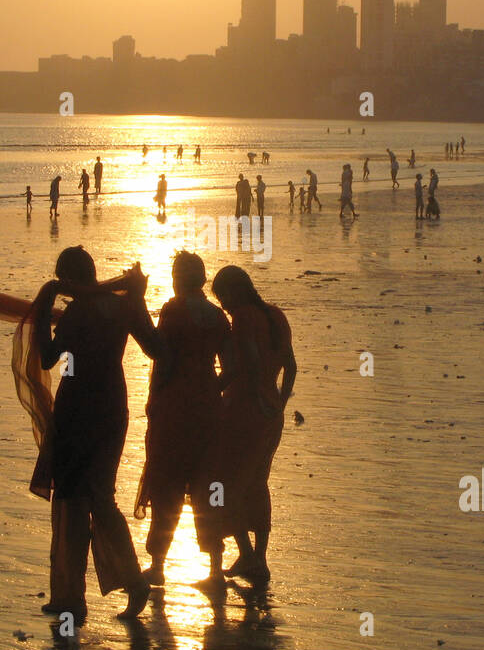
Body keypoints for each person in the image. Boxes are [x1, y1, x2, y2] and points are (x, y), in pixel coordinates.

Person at [29, 248, 162, 621]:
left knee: (72, 498)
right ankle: (130, 583)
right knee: (101, 496)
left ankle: (73, 596)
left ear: (67, 279)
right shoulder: (122, 306)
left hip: (78, 407)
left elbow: (46, 358)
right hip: (112, 406)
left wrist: (44, 308)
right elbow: (155, 348)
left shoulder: (77, 311)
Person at [135, 252, 230, 589]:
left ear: (180, 278)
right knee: (209, 484)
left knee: (167, 484)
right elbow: (229, 368)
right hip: (208, 408)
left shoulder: (174, 311)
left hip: (174, 407)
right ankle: (216, 568)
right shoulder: (218, 316)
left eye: (175, 272)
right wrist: (208, 388)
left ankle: (158, 564)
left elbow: (162, 356)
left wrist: (156, 399)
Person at [209, 266, 296, 584]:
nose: (223, 305)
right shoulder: (276, 315)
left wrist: (209, 389)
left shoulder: (244, 317)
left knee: (226, 480)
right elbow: (291, 366)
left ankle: (246, 553)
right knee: (257, 481)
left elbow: (245, 364)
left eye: (223, 296)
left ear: (236, 291)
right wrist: (279, 402)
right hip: (271, 411)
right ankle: (259, 557)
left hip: (243, 408)